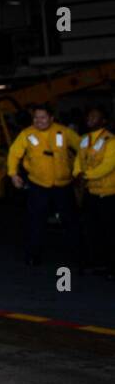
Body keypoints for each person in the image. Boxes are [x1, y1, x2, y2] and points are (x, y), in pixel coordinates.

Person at [8, 103, 80, 266]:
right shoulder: (26, 134)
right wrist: (13, 174)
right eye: (35, 117)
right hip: (39, 185)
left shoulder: (64, 132)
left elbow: (82, 149)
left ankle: (77, 256)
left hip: (63, 185)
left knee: (71, 221)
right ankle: (33, 255)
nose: (38, 121)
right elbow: (13, 154)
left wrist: (78, 170)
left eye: (42, 117)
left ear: (51, 118)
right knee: (35, 221)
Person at [73, 105, 115, 276]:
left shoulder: (110, 141)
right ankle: (97, 262)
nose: (90, 119)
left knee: (110, 231)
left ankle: (112, 266)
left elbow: (108, 165)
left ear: (103, 121)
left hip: (108, 193)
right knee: (92, 229)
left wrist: (85, 175)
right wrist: (76, 172)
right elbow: (78, 159)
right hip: (91, 192)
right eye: (89, 116)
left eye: (95, 116)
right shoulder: (84, 139)